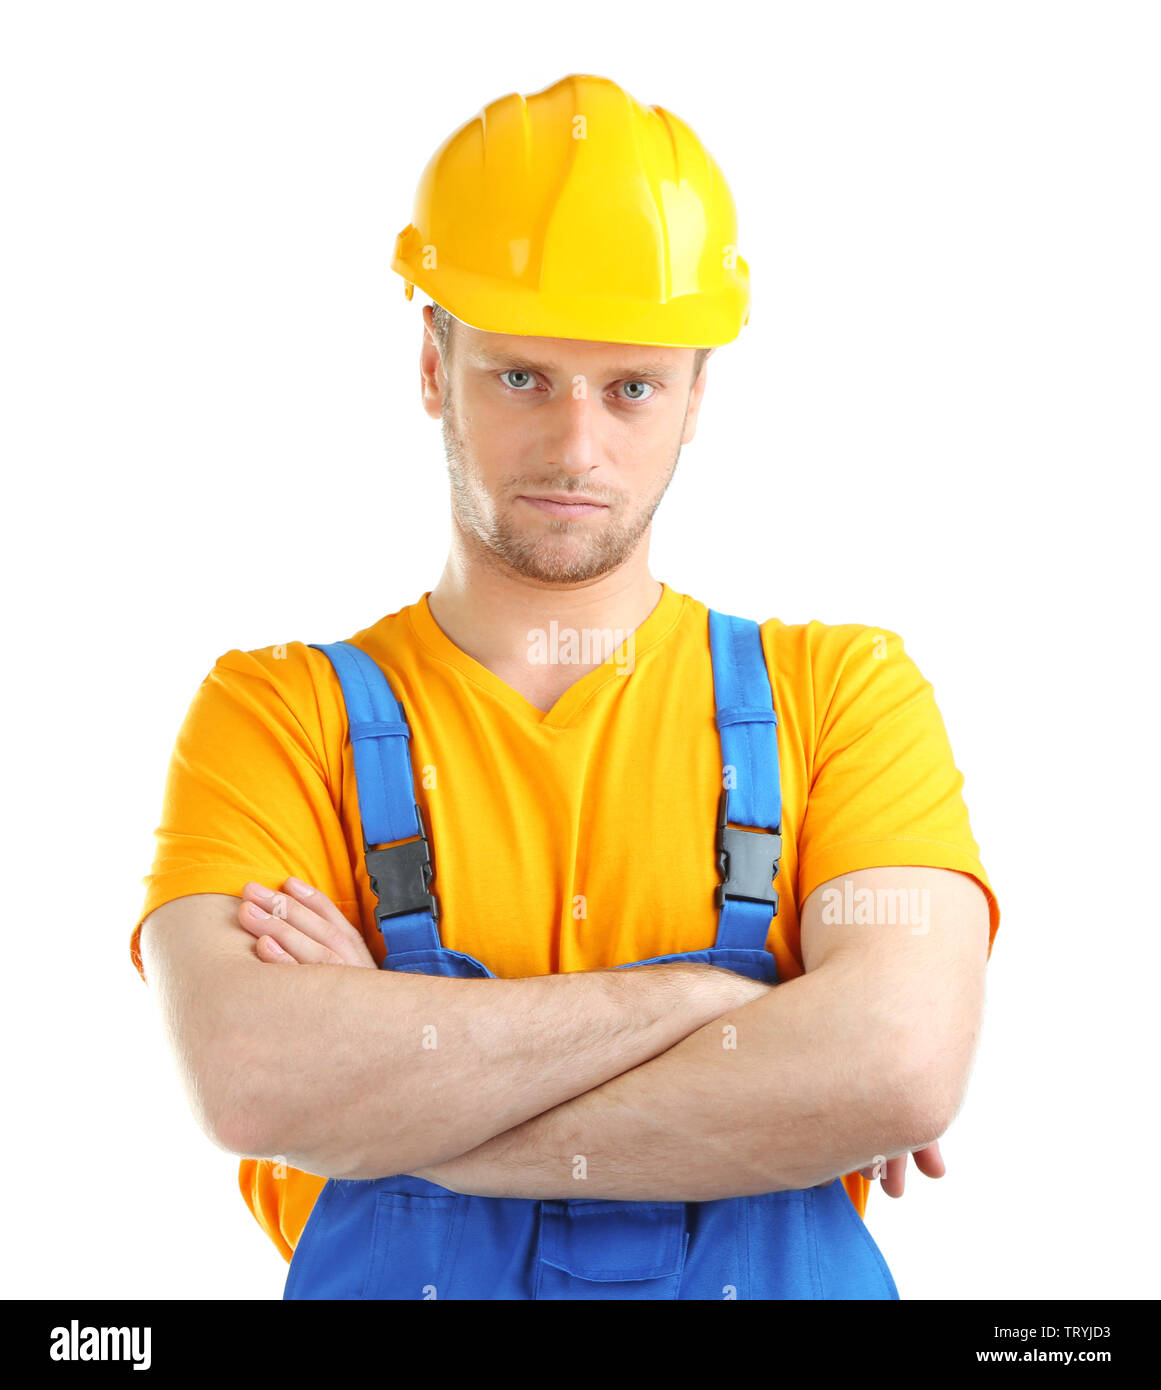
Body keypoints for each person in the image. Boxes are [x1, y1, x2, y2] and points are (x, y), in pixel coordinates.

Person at [132, 73, 999, 1300]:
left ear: (699, 395)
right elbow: (253, 1078)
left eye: (630, 387)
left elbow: (901, 1064)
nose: (577, 447)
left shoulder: (843, 694)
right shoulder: (275, 718)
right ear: (435, 367)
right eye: (522, 377)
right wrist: (716, 1006)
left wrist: (398, 1104)